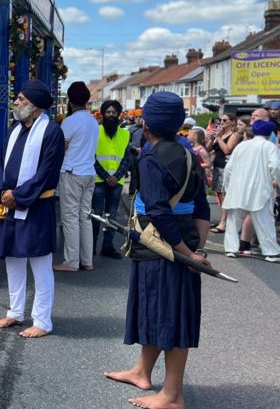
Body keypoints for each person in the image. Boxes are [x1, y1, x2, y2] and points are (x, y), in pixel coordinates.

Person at [104, 91, 211, 409]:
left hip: (160, 245)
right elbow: (202, 205)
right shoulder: (187, 151)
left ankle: (172, 395)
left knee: (170, 317)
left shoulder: (151, 157)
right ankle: (142, 371)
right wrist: (196, 248)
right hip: (182, 242)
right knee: (158, 310)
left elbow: (160, 211)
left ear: (147, 121)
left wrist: (185, 253)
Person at [0, 80, 65, 339]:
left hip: (37, 205)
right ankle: (16, 311)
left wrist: (18, 196)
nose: (16, 103)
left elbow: (46, 172)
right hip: (11, 205)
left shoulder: (51, 132)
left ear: (34, 106)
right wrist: (1, 192)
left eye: (21, 99)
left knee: (40, 263)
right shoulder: (16, 129)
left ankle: (43, 320)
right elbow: (1, 163)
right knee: (13, 259)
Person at [221, 120, 280, 262]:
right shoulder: (270, 147)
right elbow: (276, 167)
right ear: (269, 133)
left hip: (238, 188)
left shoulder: (242, 146)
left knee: (233, 220)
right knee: (264, 221)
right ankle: (270, 252)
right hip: (260, 189)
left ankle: (231, 249)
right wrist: (277, 182)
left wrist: (227, 186)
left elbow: (229, 168)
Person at [57, 81, 99, 272]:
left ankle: (71, 262)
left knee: (70, 218)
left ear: (70, 100)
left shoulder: (70, 121)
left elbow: (62, 147)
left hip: (73, 172)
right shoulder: (92, 121)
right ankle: (87, 261)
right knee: (85, 217)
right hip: (89, 173)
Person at [92, 100, 131, 259]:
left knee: (112, 216)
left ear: (118, 114)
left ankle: (108, 246)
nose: (110, 115)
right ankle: (91, 246)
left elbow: (126, 158)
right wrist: (107, 176)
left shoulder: (125, 133)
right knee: (96, 215)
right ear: (102, 114)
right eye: (107, 112)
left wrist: (116, 176)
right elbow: (92, 157)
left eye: (113, 112)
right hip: (99, 181)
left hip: (116, 182)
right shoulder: (96, 131)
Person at [208, 113, 241, 234]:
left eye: (225, 120)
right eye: (220, 120)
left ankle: (223, 223)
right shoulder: (220, 135)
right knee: (219, 195)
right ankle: (223, 221)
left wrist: (219, 138)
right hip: (217, 167)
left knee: (225, 195)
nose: (221, 122)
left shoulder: (235, 135)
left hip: (225, 167)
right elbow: (208, 149)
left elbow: (227, 149)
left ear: (233, 122)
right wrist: (212, 139)